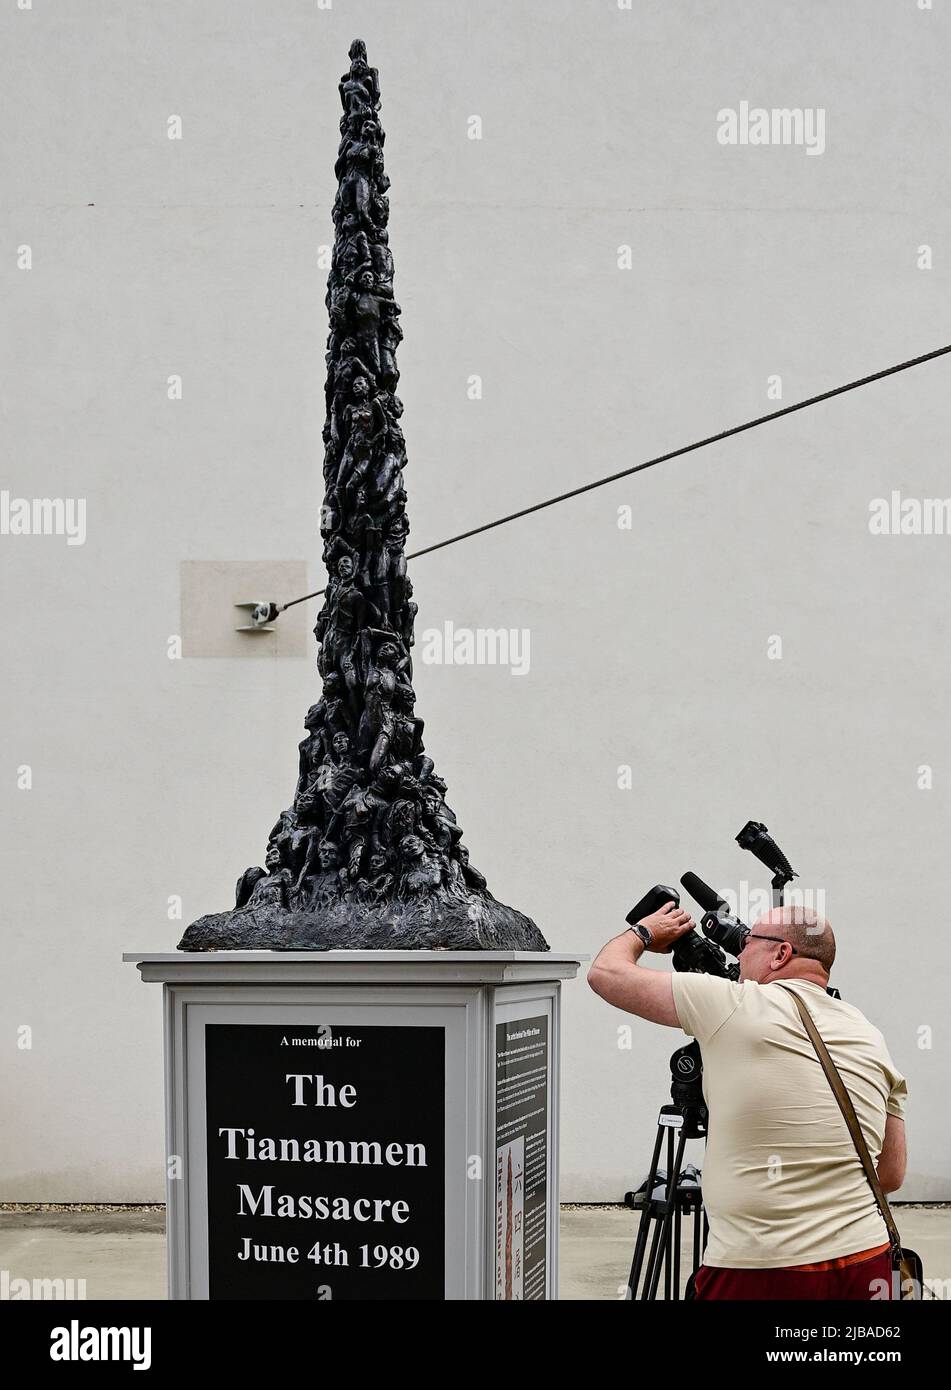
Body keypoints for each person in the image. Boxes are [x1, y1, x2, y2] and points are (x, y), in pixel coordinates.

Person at [588, 902, 908, 1300]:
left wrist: (647, 931)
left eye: (749, 940)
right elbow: (891, 1174)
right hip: (866, 1259)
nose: (738, 953)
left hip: (762, 1267)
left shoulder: (734, 1004)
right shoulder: (869, 1033)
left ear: (780, 954)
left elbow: (605, 974)